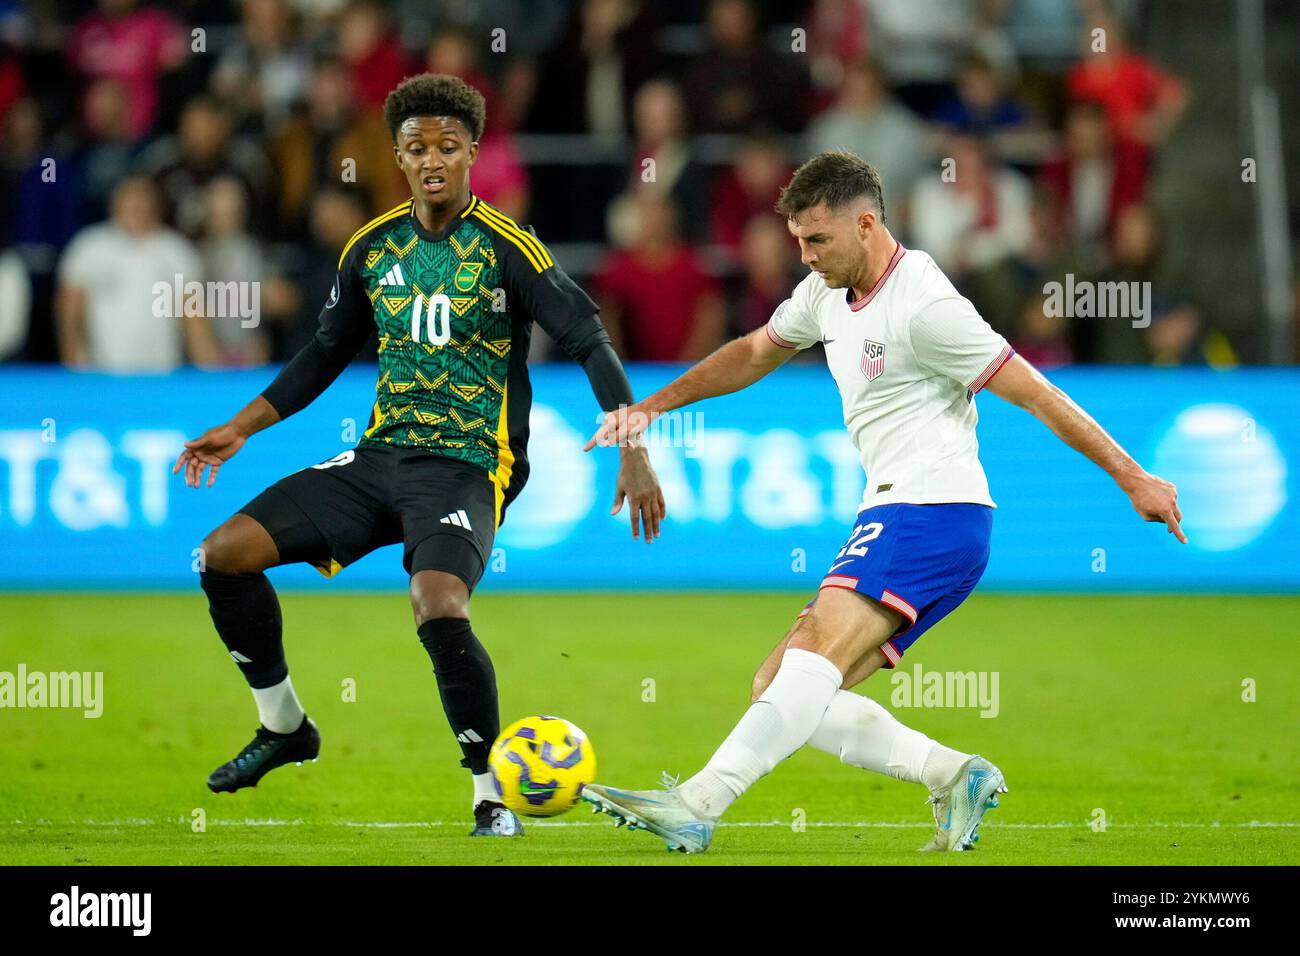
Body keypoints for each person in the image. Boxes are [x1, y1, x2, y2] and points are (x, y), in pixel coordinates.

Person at [580, 151, 1184, 854]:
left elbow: (1038, 395)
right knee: (782, 683)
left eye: (818, 240)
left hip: (933, 510)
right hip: (904, 515)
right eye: (798, 241)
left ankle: (697, 803)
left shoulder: (926, 305)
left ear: (866, 224)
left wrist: (1132, 476)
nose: (804, 257)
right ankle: (954, 773)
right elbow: (750, 352)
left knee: (808, 654)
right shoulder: (824, 294)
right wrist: (650, 408)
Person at [173, 74, 665, 839]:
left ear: (472, 152)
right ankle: (284, 728)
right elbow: (323, 353)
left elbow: (588, 339)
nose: (431, 159)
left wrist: (632, 449)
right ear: (398, 159)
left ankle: (488, 793)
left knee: (437, 603)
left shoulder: (508, 249)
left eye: (446, 145)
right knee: (221, 556)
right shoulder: (372, 249)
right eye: (415, 147)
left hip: (468, 463)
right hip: (376, 459)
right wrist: (242, 427)